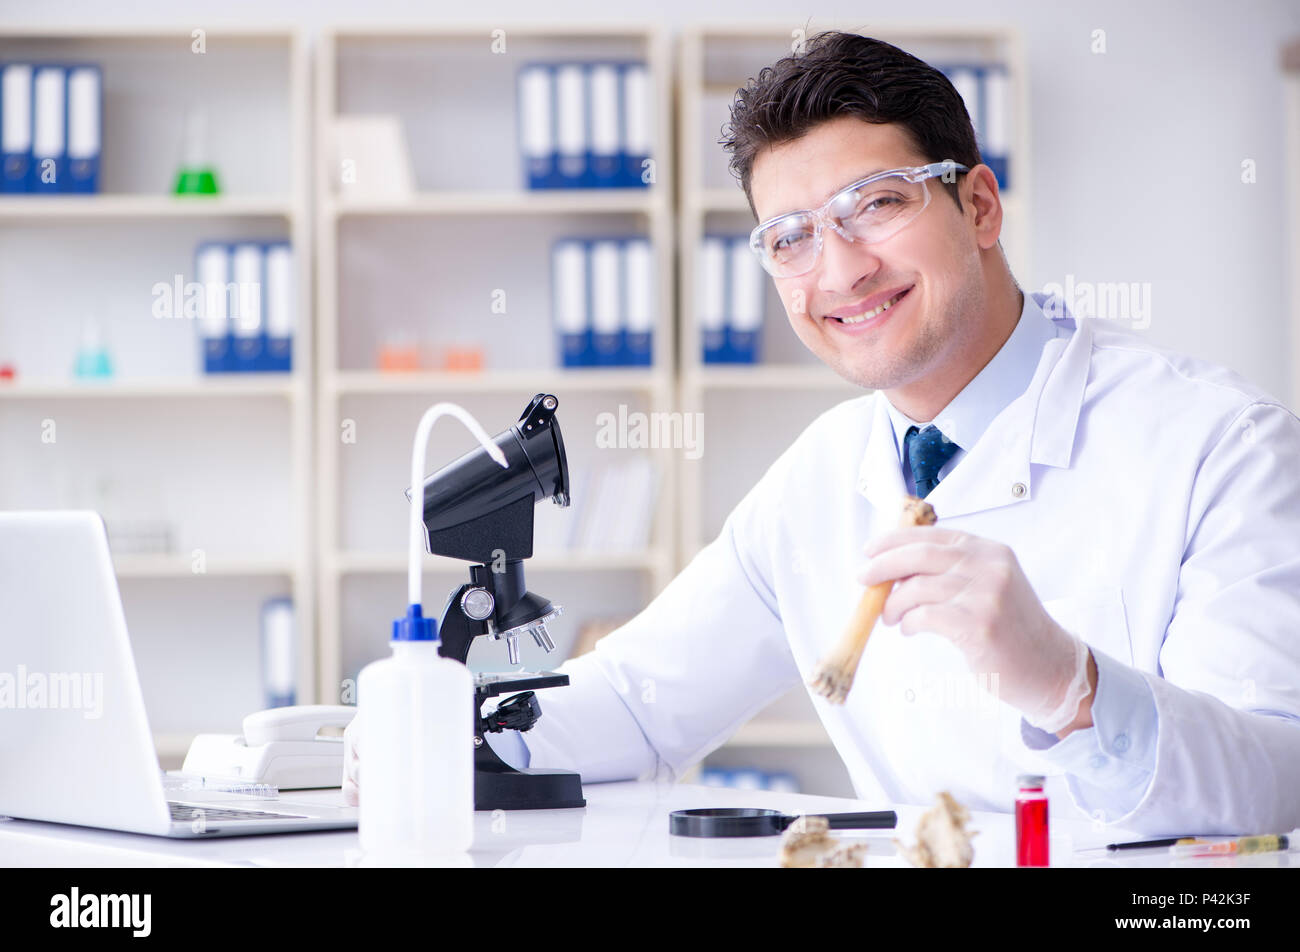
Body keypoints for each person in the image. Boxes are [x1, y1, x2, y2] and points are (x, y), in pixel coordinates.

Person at [347, 31, 1300, 835]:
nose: (838, 270)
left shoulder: (1219, 446)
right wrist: (439, 728)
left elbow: (1277, 779)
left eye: (876, 204)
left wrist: (1072, 684)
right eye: (790, 235)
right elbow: (639, 702)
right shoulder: (823, 473)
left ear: (978, 205)